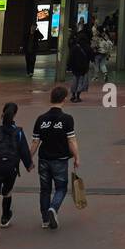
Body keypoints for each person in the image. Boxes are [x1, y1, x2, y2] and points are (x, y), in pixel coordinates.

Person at [0, 101, 34, 244]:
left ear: (3, 113)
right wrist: (29, 165)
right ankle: (5, 217)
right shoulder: (19, 132)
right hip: (11, 168)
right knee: (7, 192)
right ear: (15, 114)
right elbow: (24, 151)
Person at [31, 85, 79, 230]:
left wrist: (28, 159)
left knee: (44, 190)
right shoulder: (67, 119)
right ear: (64, 99)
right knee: (61, 188)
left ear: (51, 98)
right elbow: (71, 140)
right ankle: (53, 208)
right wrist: (77, 157)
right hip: (60, 159)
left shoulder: (41, 119)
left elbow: (35, 141)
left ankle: (45, 219)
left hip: (44, 159)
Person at [67, 31, 91, 103]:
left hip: (75, 67)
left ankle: (73, 95)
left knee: (74, 80)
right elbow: (91, 56)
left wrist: (69, 66)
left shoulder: (75, 47)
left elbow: (70, 57)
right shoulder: (87, 47)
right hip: (84, 67)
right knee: (81, 81)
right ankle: (78, 96)